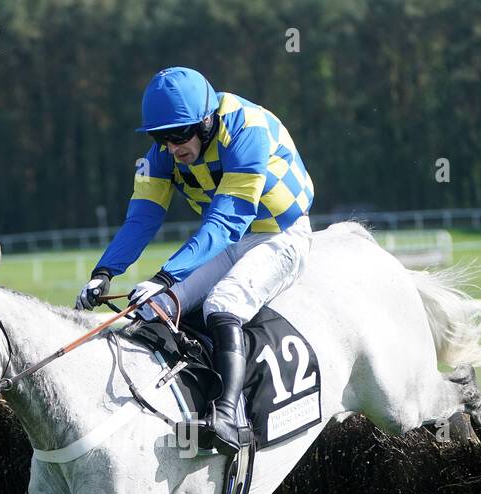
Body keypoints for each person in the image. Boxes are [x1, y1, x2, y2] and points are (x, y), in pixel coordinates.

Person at [76, 67, 315, 453]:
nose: (171, 148)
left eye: (178, 135)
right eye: (160, 138)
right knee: (152, 308)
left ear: (206, 122)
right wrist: (104, 272)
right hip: (225, 241)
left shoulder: (246, 129)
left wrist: (166, 276)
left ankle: (226, 414)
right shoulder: (162, 154)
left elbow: (227, 219)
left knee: (223, 304)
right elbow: (142, 217)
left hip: (279, 234)